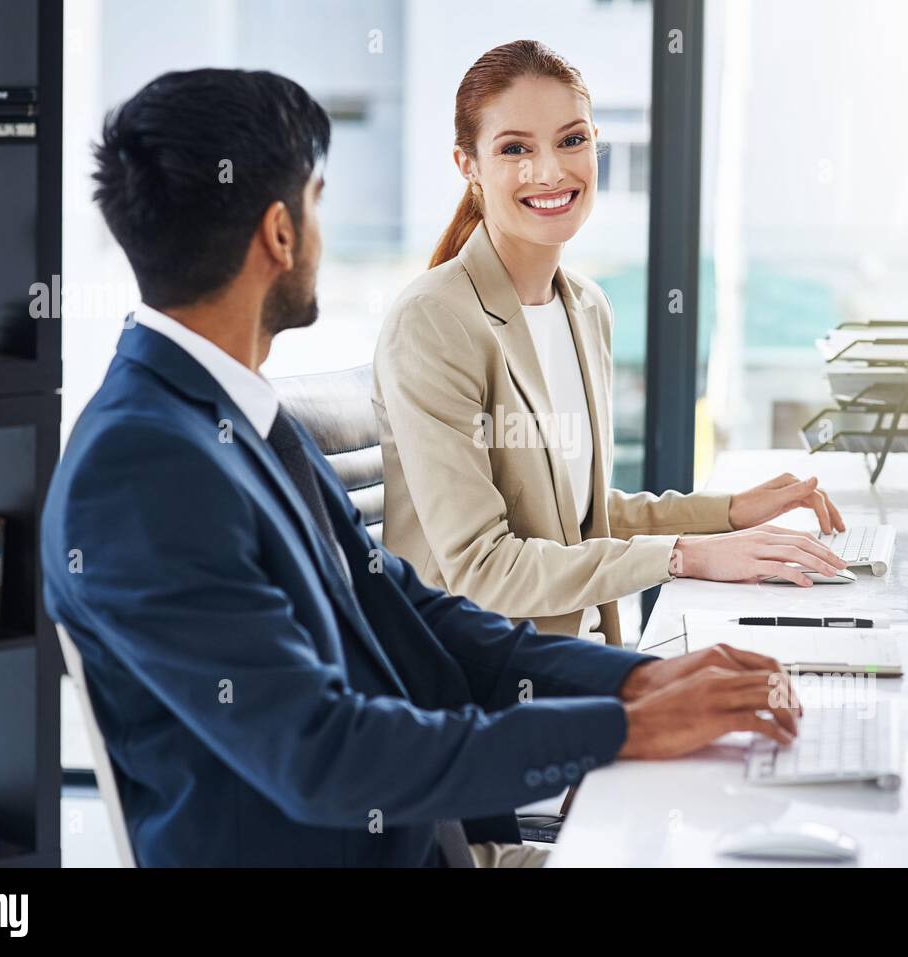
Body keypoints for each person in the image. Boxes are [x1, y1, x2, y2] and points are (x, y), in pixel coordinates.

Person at [41, 67, 802, 868]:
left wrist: (636, 682)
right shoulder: (139, 469)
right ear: (279, 233)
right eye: (318, 200)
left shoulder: (235, 413)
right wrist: (622, 730)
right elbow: (323, 752)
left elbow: (418, 617)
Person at [374, 40, 847, 647]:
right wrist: (683, 556)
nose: (549, 171)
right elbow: (483, 570)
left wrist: (729, 514)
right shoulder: (434, 321)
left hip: (582, 656)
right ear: (468, 166)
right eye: (515, 149)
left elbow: (579, 517)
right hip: (486, 680)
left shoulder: (585, 307)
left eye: (571, 141)